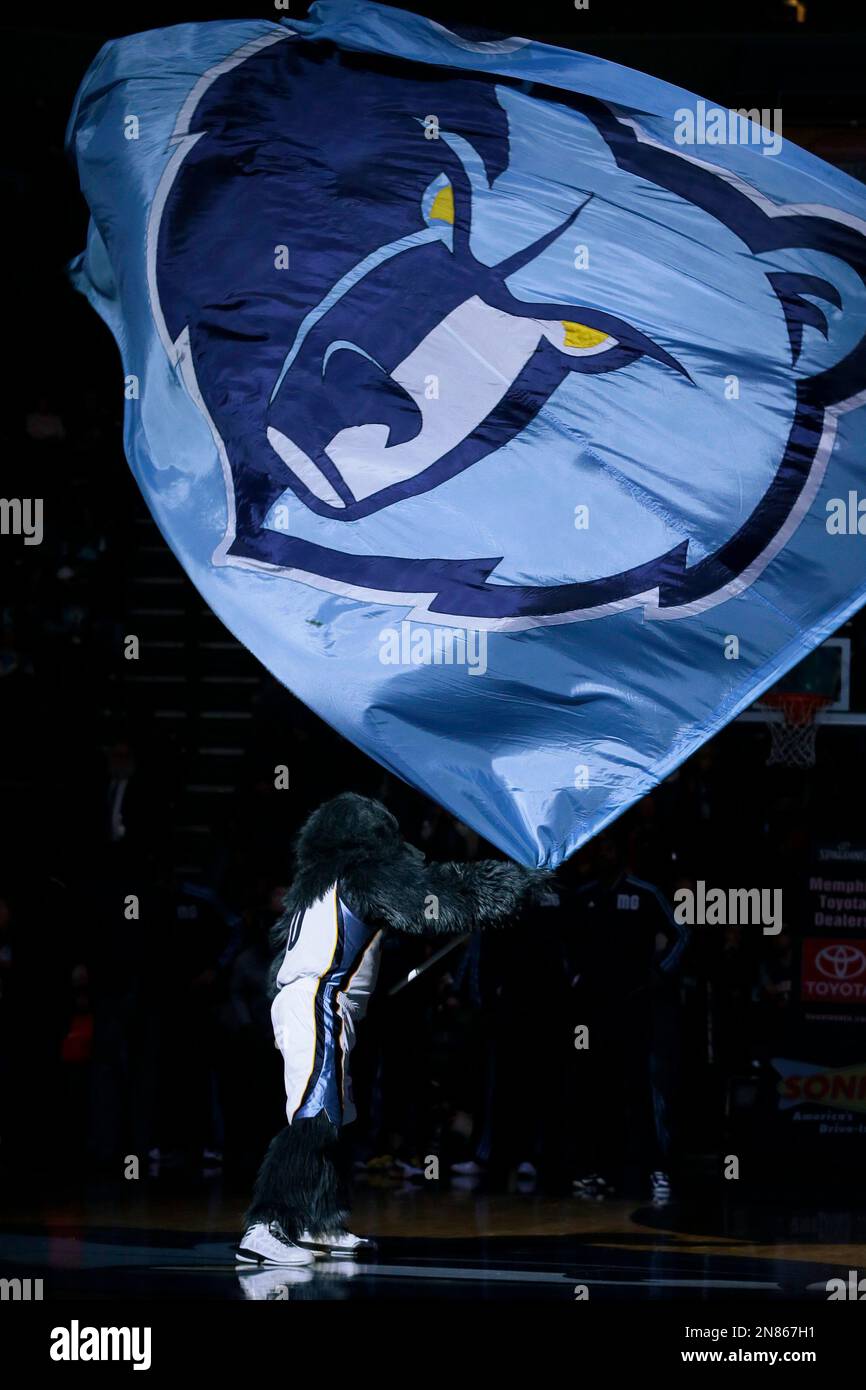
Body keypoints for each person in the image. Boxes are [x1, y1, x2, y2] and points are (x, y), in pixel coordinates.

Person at [236, 793, 542, 1266]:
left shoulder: (317, 880)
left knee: (335, 1116)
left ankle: (320, 1220)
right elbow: (432, 900)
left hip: (312, 1001)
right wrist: (513, 883)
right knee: (313, 1118)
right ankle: (268, 1224)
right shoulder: (361, 871)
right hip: (318, 1001)